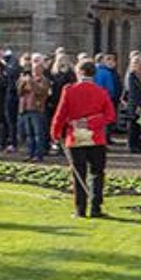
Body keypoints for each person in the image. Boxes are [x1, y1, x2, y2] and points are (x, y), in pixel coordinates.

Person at [51, 58, 116, 218]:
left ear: (79, 72)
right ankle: (95, 208)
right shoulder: (101, 92)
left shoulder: (69, 90)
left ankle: (80, 209)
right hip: (96, 138)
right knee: (97, 173)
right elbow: (110, 116)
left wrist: (55, 132)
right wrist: (92, 122)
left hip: (75, 137)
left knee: (79, 174)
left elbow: (60, 113)